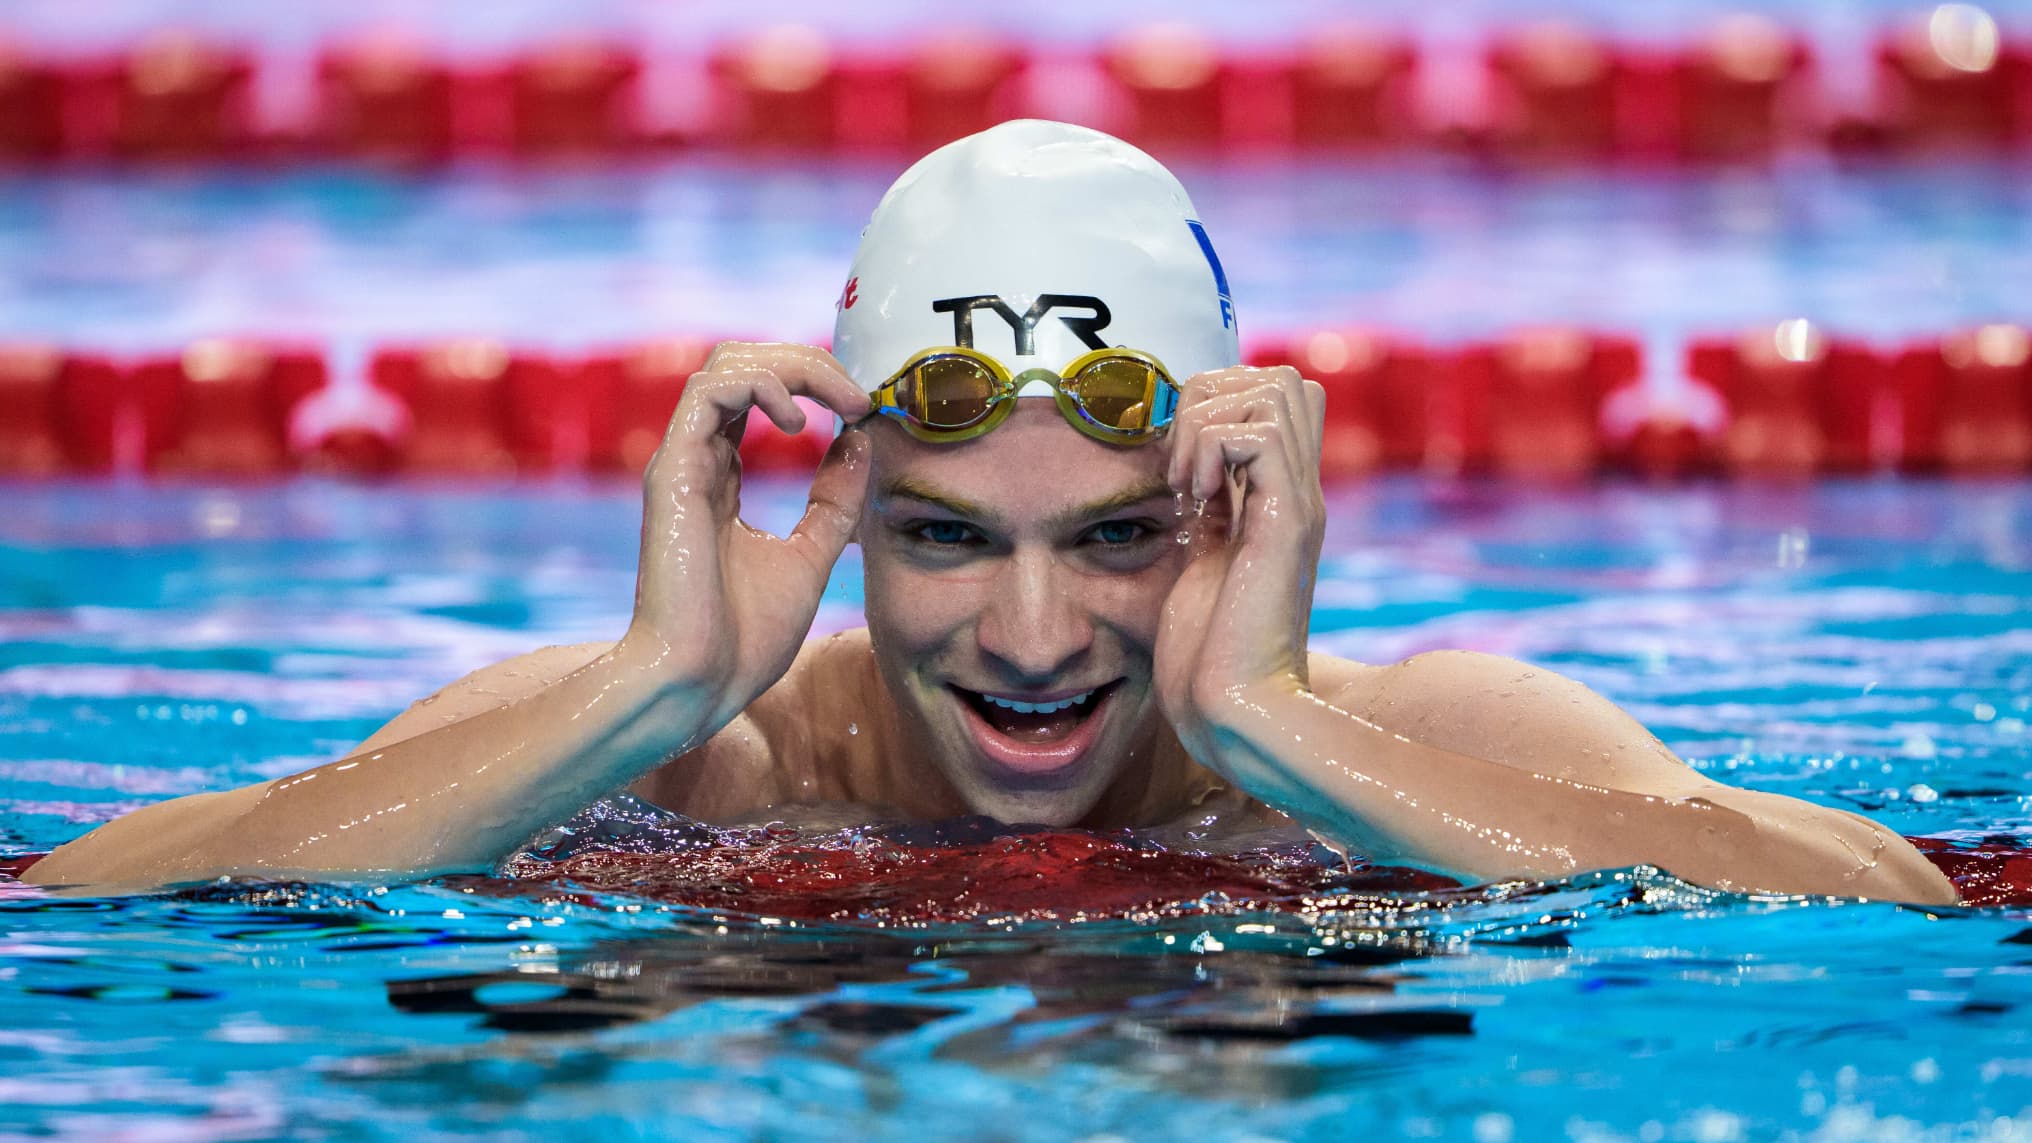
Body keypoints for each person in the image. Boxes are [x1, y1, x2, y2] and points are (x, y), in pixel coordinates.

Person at [25, 120, 1959, 905]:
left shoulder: (1398, 742)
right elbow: (78, 904)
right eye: (948, 536)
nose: (1031, 642)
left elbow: (1895, 901)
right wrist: (646, 689)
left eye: (1117, 536)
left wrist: (1279, 731)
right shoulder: (709, 763)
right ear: (848, 516)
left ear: (1230, 505)